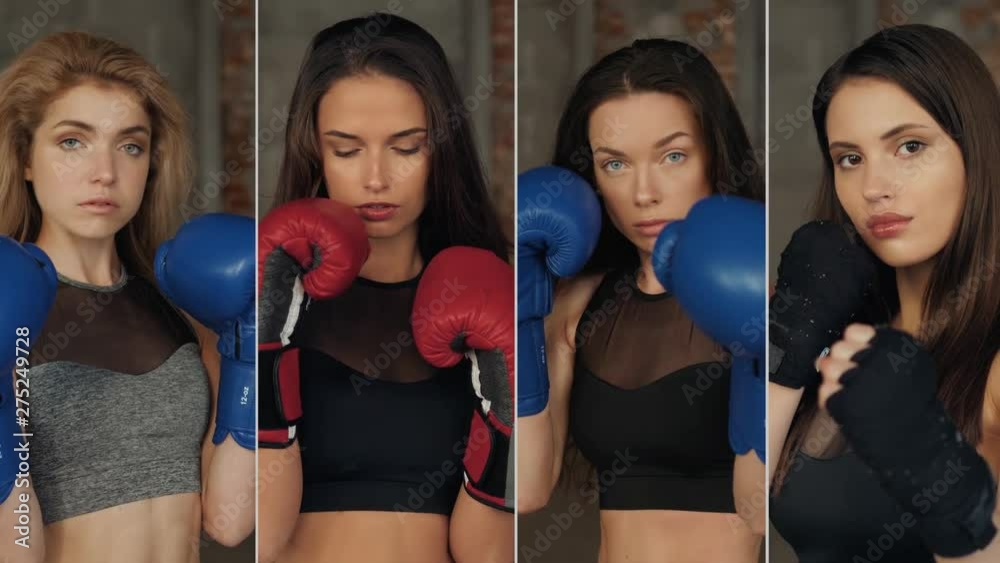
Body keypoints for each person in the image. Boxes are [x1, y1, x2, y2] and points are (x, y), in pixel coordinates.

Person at [256, 14, 514, 563]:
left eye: (406, 147)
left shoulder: (490, 301)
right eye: (347, 150)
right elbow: (256, 535)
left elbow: (486, 555)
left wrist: (505, 414)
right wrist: (263, 344)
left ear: (442, 150)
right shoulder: (268, 299)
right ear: (315, 154)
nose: (376, 177)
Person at [0, 31, 256, 563]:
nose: (105, 172)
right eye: (73, 141)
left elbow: (231, 522)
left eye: (130, 145)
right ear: (25, 158)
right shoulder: (7, 304)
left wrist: (251, 345)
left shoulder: (186, 309)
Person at [517, 38, 766, 563]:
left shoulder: (764, 289)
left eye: (673, 156)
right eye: (615, 164)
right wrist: (522, 306)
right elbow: (527, 488)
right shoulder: (579, 304)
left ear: (714, 155)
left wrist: (758, 349)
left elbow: (762, 508)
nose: (643, 192)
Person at [768, 24, 1000, 563]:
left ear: (978, 153)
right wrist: (784, 359)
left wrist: (930, 462)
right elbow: (747, 511)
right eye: (850, 158)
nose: (874, 187)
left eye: (910, 146)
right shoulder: (840, 339)